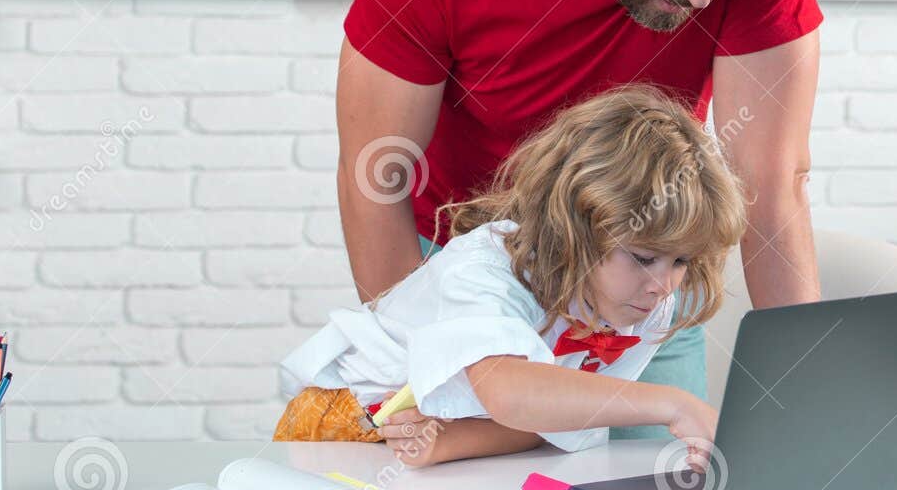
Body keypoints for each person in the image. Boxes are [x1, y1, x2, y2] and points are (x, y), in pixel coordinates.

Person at [337, 0, 824, 439]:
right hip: (478, 278)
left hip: (642, 269)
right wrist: (419, 354)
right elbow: (376, 176)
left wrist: (808, 395)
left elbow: (772, 180)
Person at [277, 85, 747, 469]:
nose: (664, 286)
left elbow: (546, 421)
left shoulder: (643, 301)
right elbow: (510, 392)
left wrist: (446, 443)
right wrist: (672, 403)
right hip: (341, 428)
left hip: (430, 445)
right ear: (572, 228)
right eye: (644, 257)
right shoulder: (484, 271)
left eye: (681, 261)